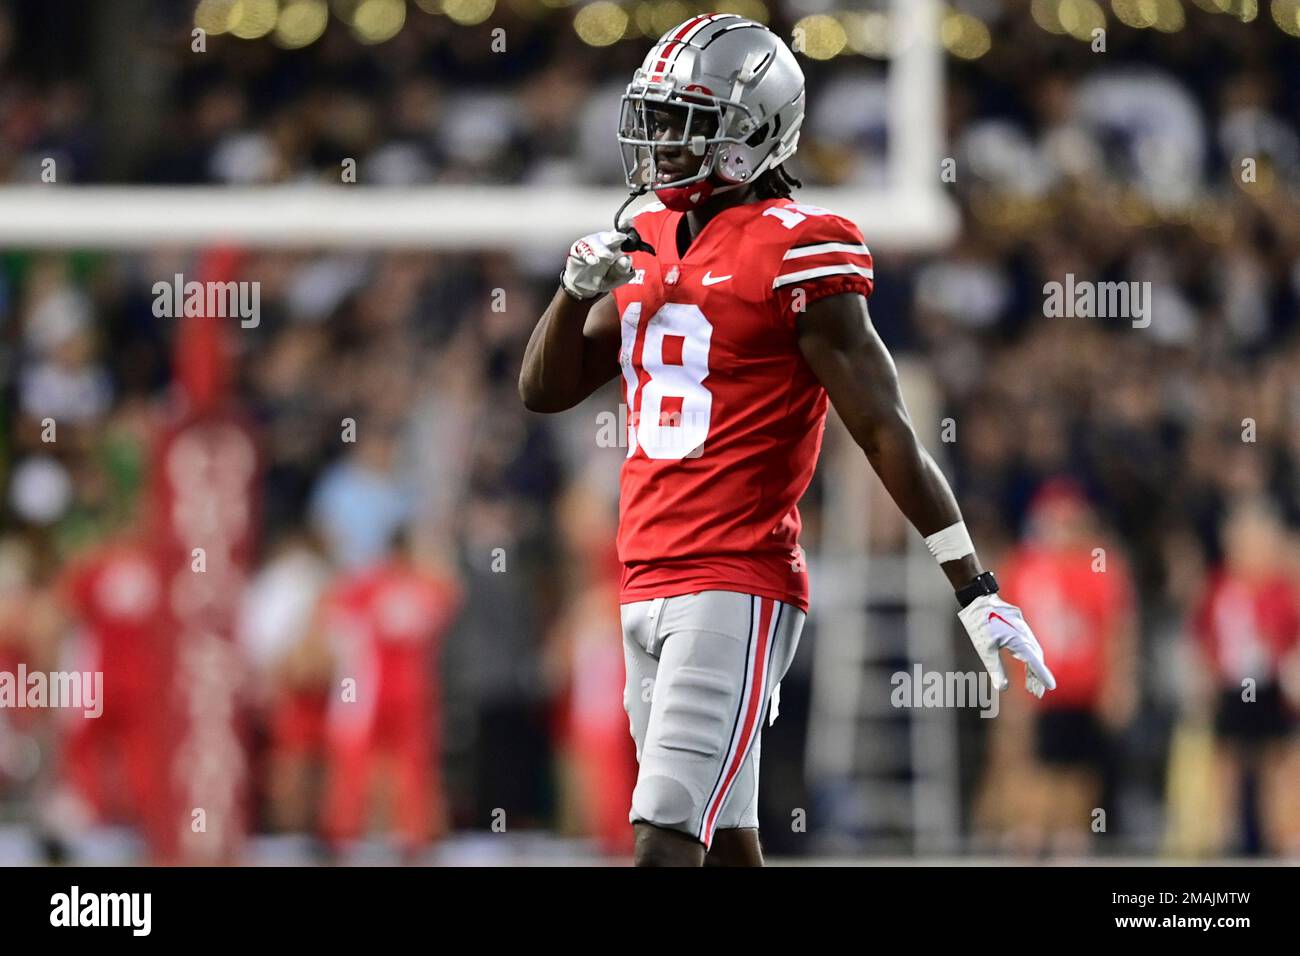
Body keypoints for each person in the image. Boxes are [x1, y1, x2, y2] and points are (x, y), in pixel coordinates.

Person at [519, 13, 1055, 867]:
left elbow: (884, 429)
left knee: (663, 833)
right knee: (727, 841)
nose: (661, 142)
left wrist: (975, 586)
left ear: (748, 133)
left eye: (683, 121)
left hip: (735, 577)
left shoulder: (800, 249)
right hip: (643, 570)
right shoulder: (644, 236)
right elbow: (541, 391)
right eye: (655, 119)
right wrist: (567, 292)